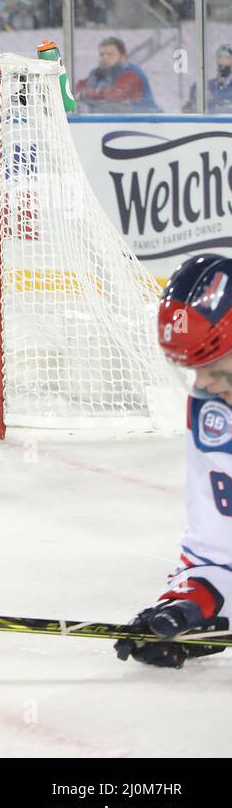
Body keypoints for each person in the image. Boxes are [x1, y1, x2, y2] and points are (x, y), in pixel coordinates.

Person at [115, 255, 232, 667]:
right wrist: (195, 601)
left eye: (215, 369)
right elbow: (216, 548)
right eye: (193, 371)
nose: (203, 385)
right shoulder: (214, 411)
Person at [74, 36, 158, 113]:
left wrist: (84, 95)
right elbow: (79, 87)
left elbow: (114, 96)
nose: (104, 58)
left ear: (122, 57)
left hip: (146, 121)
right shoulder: (97, 73)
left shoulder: (132, 74)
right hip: (117, 122)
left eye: (110, 55)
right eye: (101, 55)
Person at [186, 44, 232, 114]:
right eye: (220, 57)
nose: (223, 60)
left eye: (227, 57)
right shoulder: (203, 87)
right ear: (216, 60)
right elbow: (194, 110)